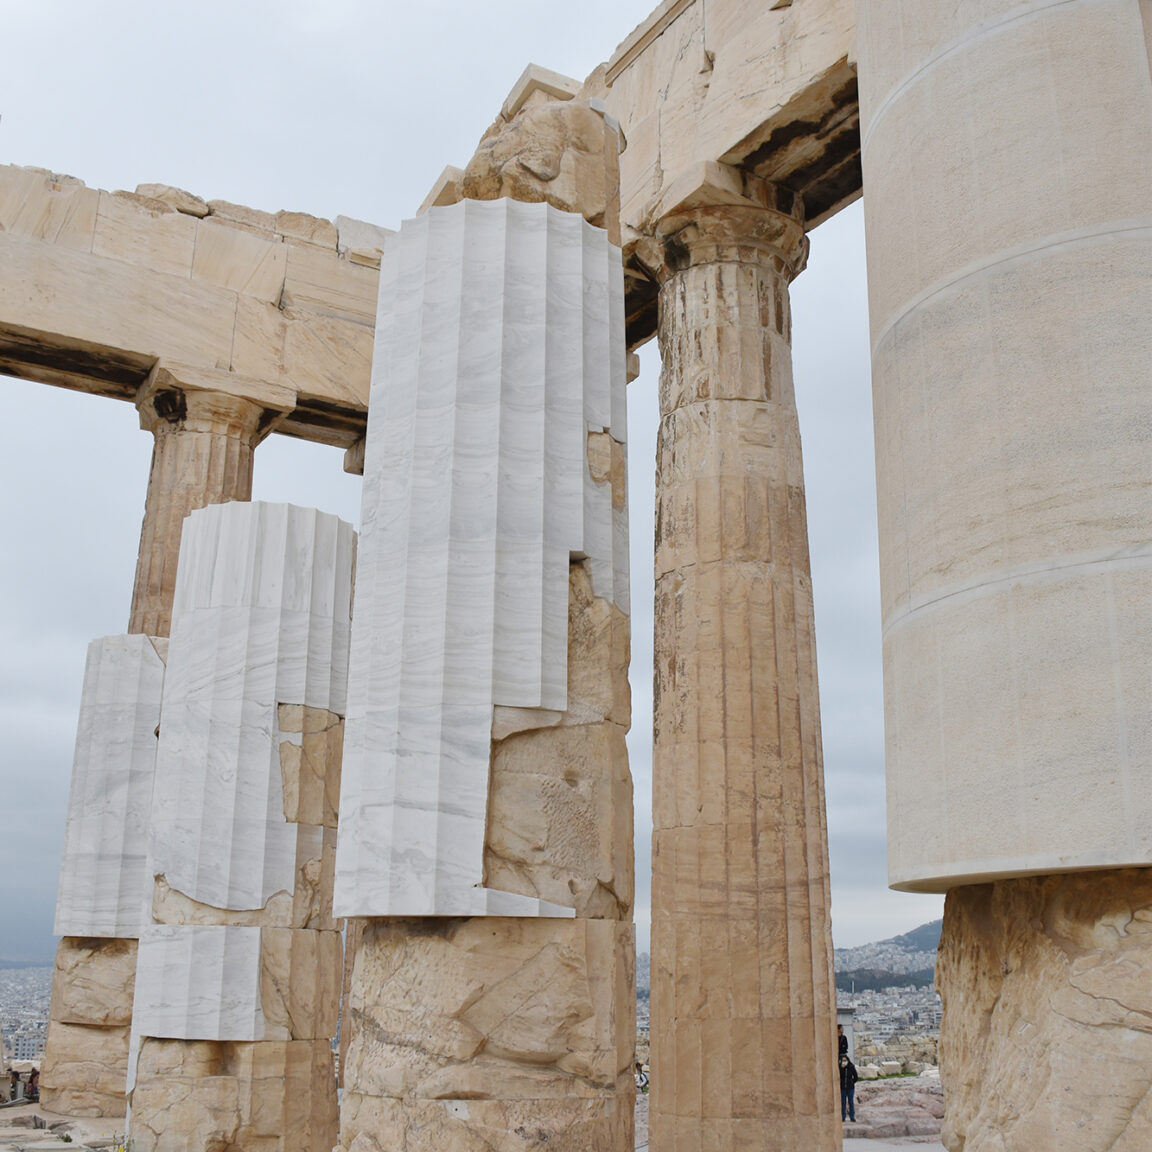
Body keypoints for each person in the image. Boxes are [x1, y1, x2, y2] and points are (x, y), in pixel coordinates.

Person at [839, 1054, 858, 1123]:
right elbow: (839, 1076)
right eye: (843, 1060)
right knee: (843, 1102)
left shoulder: (851, 1067)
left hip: (850, 1088)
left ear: (848, 1060)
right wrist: (841, 1068)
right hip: (843, 1087)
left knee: (851, 1102)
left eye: (845, 1060)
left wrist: (852, 1082)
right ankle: (843, 1117)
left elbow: (855, 1077)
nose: (844, 1062)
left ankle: (852, 1117)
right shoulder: (840, 1067)